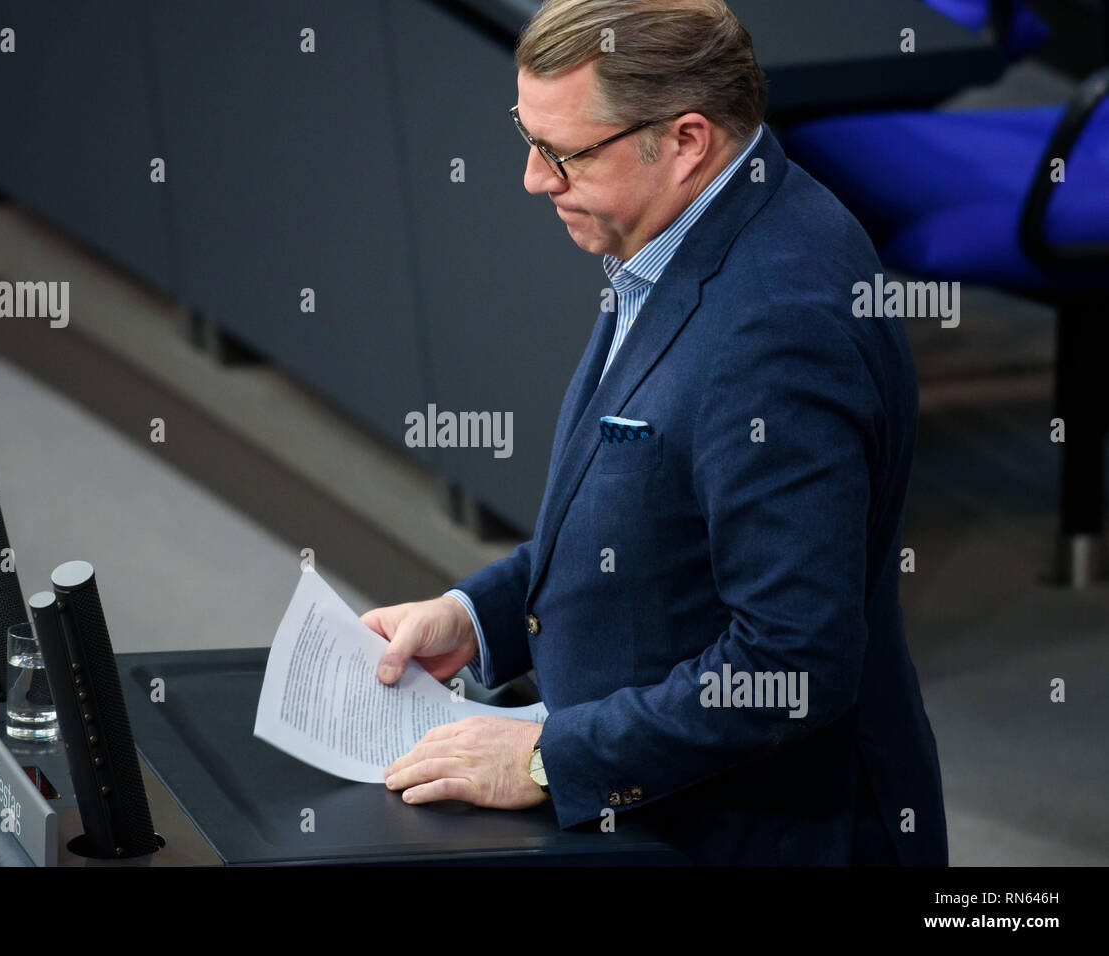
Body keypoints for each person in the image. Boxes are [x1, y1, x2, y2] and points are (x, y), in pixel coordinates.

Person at [361, 0, 947, 865]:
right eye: (527, 136)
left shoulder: (778, 332)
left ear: (684, 142)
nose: (532, 177)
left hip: (760, 835)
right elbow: (650, 526)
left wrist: (544, 758)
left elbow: (792, 662)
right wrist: (478, 616)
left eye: (562, 153)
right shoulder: (684, 236)